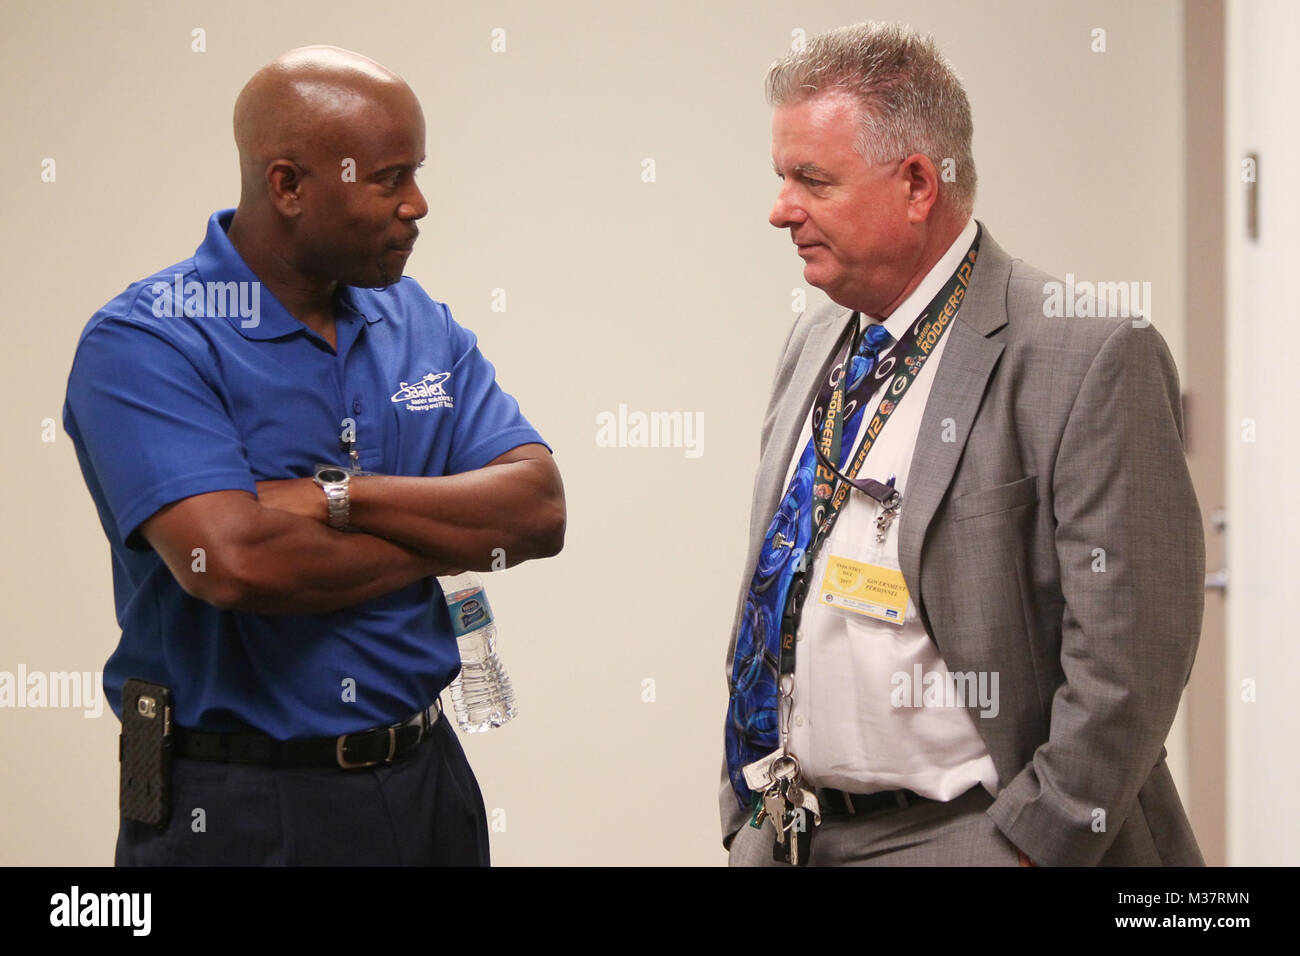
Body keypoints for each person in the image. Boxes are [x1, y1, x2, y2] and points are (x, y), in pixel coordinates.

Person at [63, 46, 565, 866]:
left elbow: (537, 511)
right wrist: (448, 528)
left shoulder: (416, 321)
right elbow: (235, 564)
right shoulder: (148, 340)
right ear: (288, 185)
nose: (419, 204)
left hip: (428, 781)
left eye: (418, 173)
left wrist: (340, 501)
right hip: (240, 803)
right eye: (389, 178)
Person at [720, 22, 1204, 866]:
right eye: (780, 177)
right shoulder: (815, 342)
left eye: (812, 181)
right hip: (798, 833)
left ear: (916, 184)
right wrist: (746, 816)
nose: (780, 209)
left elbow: (1132, 659)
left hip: (976, 835)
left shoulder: (1087, 352)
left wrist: (1026, 848)